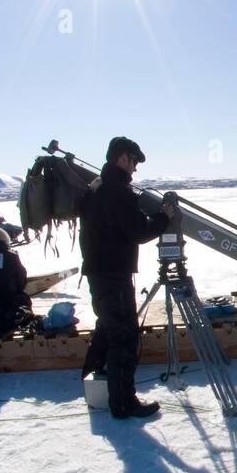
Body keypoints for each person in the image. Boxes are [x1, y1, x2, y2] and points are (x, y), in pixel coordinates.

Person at [78, 136, 178, 420]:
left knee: (110, 329)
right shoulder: (116, 192)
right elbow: (139, 232)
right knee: (123, 337)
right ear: (122, 158)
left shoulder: (97, 189)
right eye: (134, 162)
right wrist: (163, 218)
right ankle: (123, 403)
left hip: (100, 274)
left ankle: (97, 379)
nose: (135, 169)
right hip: (113, 274)